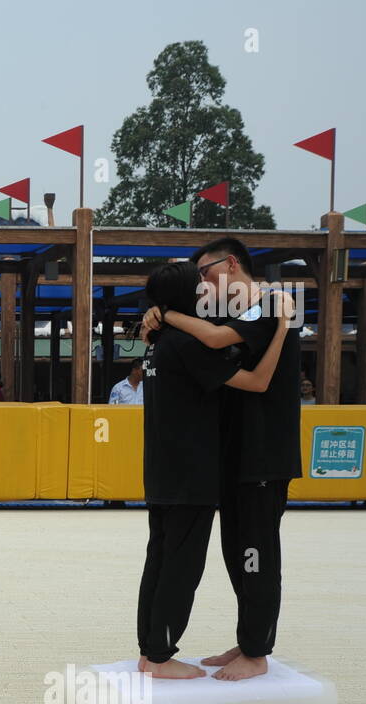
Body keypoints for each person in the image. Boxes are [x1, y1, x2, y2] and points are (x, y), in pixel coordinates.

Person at [142, 237, 301, 681]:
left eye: (205, 273)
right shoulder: (228, 313)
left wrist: (166, 311)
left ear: (231, 263)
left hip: (262, 453)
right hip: (229, 454)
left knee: (257, 553)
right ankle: (247, 639)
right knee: (238, 553)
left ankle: (257, 649)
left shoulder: (272, 305)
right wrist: (156, 313)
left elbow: (213, 340)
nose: (202, 284)